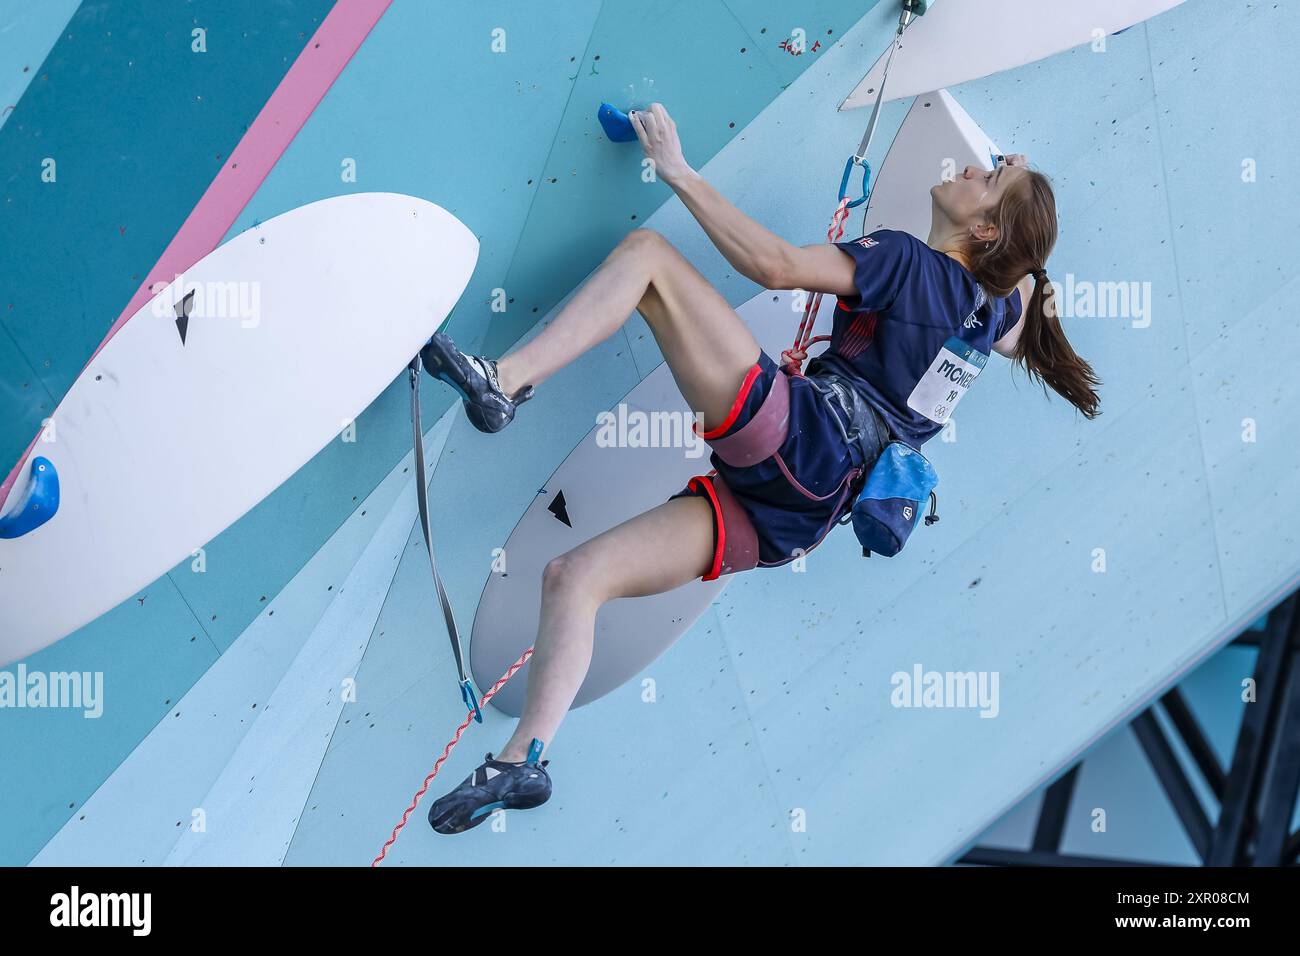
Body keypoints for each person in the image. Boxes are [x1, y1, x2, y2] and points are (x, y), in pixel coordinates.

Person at [420, 103, 1100, 834]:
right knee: (575, 578)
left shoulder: (910, 262)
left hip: (805, 442)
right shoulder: (989, 318)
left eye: (987, 177)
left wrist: (677, 169)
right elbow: (1027, 305)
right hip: (799, 520)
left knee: (649, 257)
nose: (970, 167)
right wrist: (1024, 240)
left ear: (986, 229)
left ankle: (504, 381)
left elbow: (776, 266)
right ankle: (525, 757)